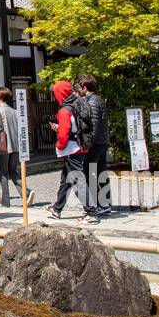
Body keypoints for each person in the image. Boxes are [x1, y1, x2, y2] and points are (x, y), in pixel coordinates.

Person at [40, 80, 97, 224]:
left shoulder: (64, 110)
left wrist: (59, 145)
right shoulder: (78, 103)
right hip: (80, 145)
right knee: (66, 179)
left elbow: (64, 134)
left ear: (60, 94)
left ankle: (91, 212)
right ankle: (57, 209)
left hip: (70, 149)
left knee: (77, 179)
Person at [0, 87, 32, 207]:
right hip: (16, 146)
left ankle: (6, 201)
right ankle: (26, 193)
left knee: (3, 173)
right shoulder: (16, 111)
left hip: (4, 147)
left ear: (0, 98)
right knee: (13, 172)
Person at [77, 74, 113, 216]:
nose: (79, 90)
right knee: (100, 172)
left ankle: (98, 204)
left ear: (84, 87)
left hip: (96, 143)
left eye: (80, 87)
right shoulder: (98, 100)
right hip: (101, 141)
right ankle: (106, 204)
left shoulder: (92, 101)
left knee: (89, 172)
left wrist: (88, 143)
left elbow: (94, 125)